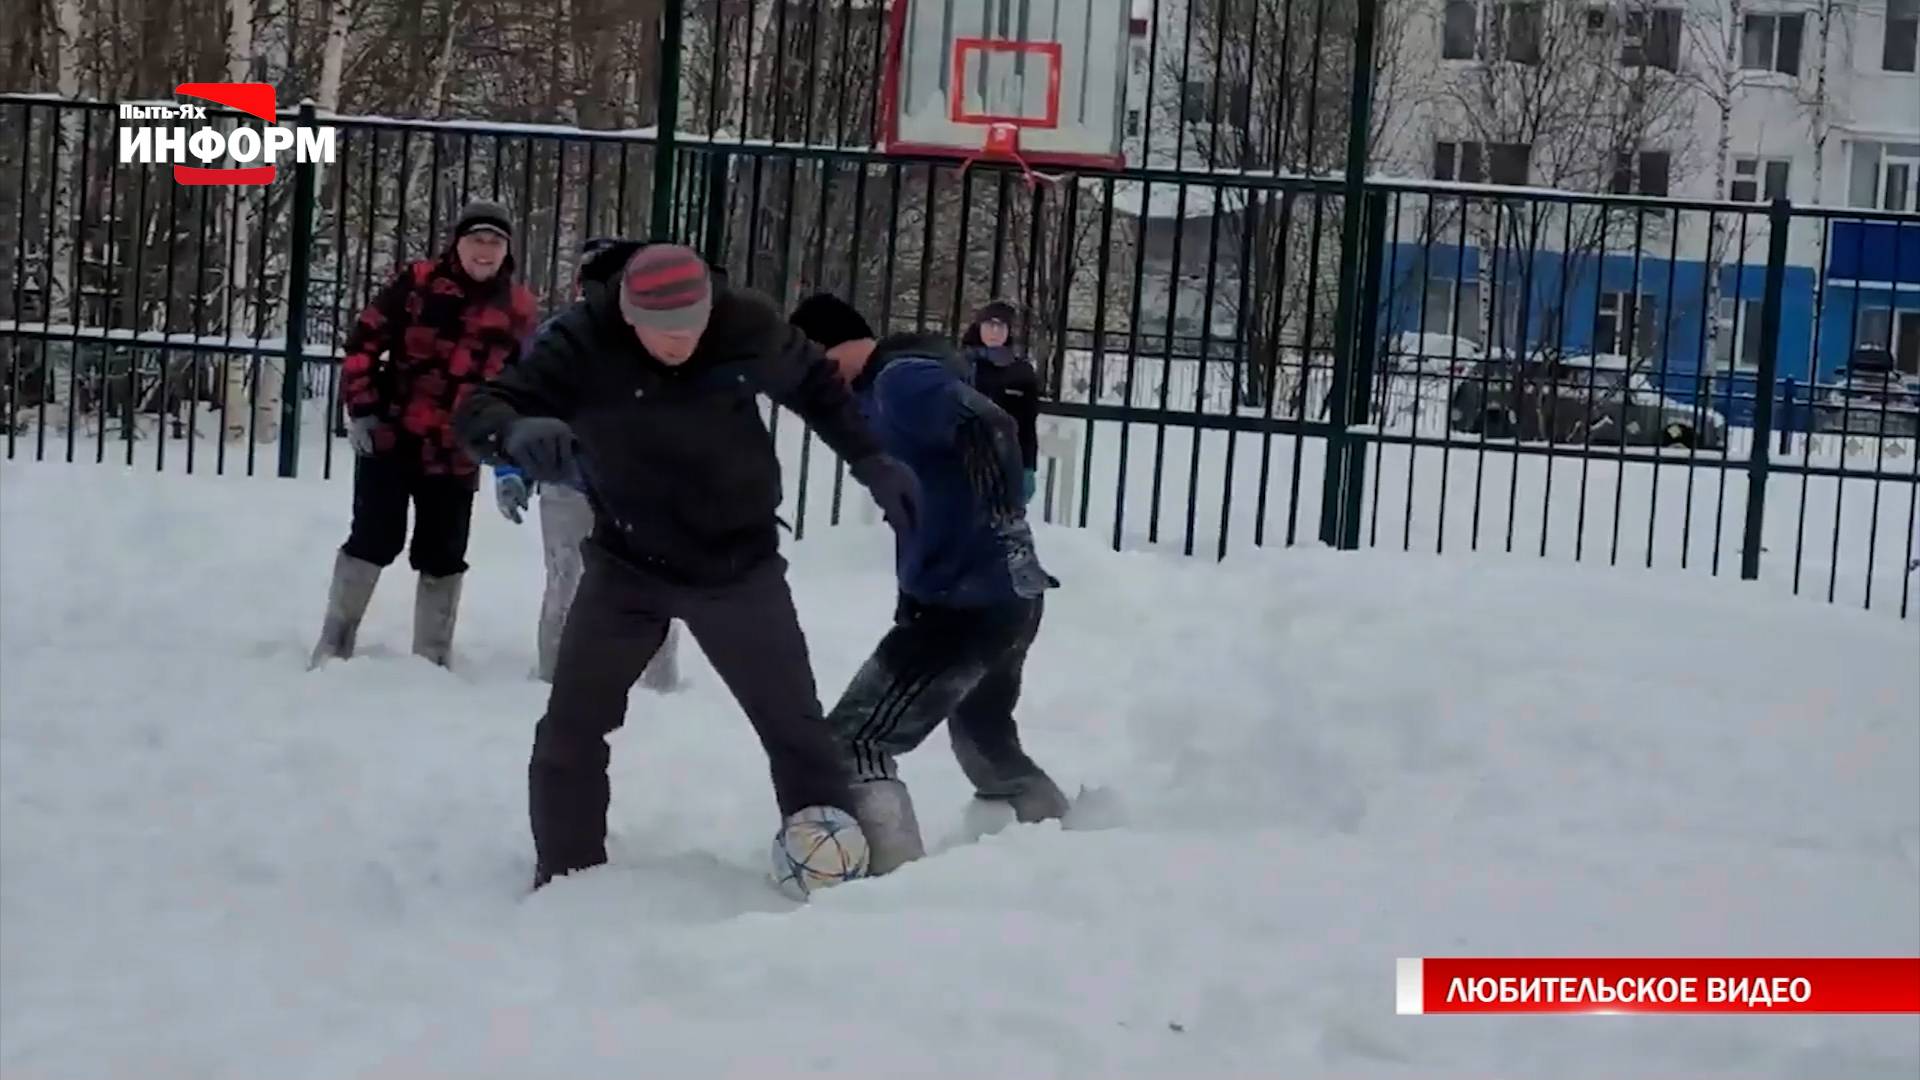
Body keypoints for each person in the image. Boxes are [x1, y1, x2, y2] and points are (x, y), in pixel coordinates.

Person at [451, 243, 920, 889]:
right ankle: (566, 874)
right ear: (628, 314)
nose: (681, 343)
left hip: (738, 560)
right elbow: (486, 403)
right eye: (664, 333)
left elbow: (816, 383)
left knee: (795, 728)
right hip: (626, 561)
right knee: (572, 728)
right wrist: (515, 434)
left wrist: (871, 459)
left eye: (692, 328)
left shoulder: (743, 323)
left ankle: (828, 871)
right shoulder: (583, 340)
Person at [787, 291, 1068, 876]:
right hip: (998, 599)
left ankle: (892, 883)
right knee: (987, 745)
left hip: (969, 604)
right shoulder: (879, 391)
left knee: (851, 744)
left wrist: (1008, 527)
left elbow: (988, 424)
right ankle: (1065, 843)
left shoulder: (901, 380)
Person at [310, 200, 539, 670]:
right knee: (374, 537)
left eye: (495, 242)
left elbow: (522, 386)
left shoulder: (518, 309)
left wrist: (509, 455)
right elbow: (363, 344)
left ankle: (432, 655)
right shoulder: (416, 284)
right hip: (392, 438)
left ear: (507, 251)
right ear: (458, 242)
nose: (485, 250)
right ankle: (335, 640)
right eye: (476, 238)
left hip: (457, 451)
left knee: (444, 553)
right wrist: (363, 408)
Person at [492, 238, 683, 690]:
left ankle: (660, 691)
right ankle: (555, 684)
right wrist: (509, 469)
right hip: (569, 483)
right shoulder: (556, 339)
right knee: (568, 581)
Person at [959, 300, 1040, 505]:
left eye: (1001, 325)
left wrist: (1027, 466)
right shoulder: (960, 365)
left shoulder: (1021, 371)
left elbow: (1027, 424)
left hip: (1005, 461)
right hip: (960, 459)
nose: (995, 331)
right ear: (979, 327)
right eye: (989, 324)